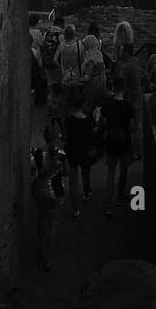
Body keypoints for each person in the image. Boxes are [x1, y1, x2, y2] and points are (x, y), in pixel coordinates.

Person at [99, 78, 136, 216]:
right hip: (124, 141)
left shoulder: (106, 106)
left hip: (111, 140)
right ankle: (120, 196)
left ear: (113, 88)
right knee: (124, 170)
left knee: (110, 172)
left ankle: (108, 205)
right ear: (124, 89)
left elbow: (101, 123)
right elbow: (132, 127)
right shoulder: (129, 107)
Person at [62, 86, 95, 218]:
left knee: (73, 181)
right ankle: (87, 193)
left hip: (72, 151)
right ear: (83, 104)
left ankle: (75, 209)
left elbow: (65, 137)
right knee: (86, 173)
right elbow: (91, 137)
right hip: (84, 151)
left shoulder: (68, 121)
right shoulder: (87, 121)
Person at [31, 147, 57, 270]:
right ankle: (49, 259)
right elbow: (67, 172)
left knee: (41, 219)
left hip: (38, 191)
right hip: (51, 192)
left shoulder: (38, 154)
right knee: (51, 226)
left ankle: (40, 251)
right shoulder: (58, 157)